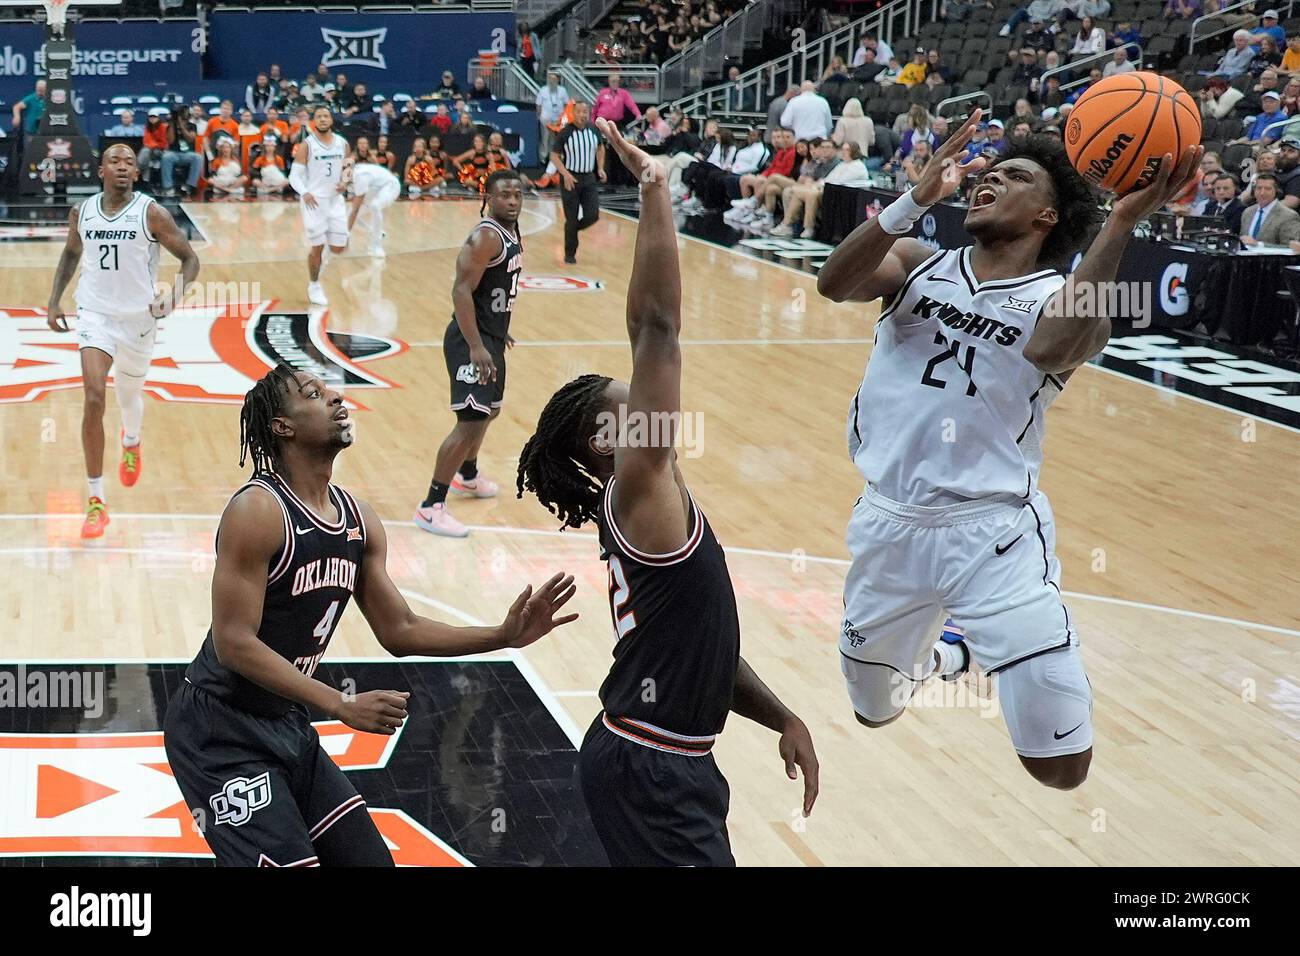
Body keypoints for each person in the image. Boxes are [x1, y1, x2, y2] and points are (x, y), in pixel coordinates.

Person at [817, 113, 1200, 791]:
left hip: (993, 536)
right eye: (989, 173)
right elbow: (834, 283)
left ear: (1047, 216)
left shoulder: (1066, 300)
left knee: (1059, 767)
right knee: (872, 710)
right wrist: (914, 202)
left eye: (1015, 175)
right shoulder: (917, 263)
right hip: (888, 525)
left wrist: (1120, 224)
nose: (990, 178)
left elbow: (1052, 347)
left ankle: (1003, 642)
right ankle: (944, 658)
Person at [516, 121, 819, 865]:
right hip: (649, 766)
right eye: (627, 400)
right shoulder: (638, 485)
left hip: (663, 760)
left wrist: (781, 715)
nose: (651, 398)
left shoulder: (650, 492)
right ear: (605, 439)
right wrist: (654, 188)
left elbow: (701, 651)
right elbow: (656, 324)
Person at [163, 363, 577, 867]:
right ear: (282, 426)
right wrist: (339, 703)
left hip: (285, 723)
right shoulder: (258, 511)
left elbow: (399, 630)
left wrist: (501, 635)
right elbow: (234, 643)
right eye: (314, 394)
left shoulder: (357, 518)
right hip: (219, 734)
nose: (336, 397)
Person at [44, 145, 201, 538]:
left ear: (136, 172)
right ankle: (96, 500)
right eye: (115, 161)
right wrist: (53, 301)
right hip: (94, 315)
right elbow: (70, 254)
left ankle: (131, 441)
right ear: (101, 170)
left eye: (130, 163)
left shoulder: (151, 213)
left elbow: (190, 260)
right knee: (94, 395)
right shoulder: (82, 212)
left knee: (128, 397)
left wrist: (174, 296)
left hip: (138, 321)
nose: (123, 167)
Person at [414, 171, 525, 538]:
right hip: (469, 342)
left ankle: (468, 474)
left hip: (489, 337)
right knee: (468, 422)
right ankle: (431, 506)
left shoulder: (511, 231)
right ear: (489, 198)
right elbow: (461, 291)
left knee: (488, 412)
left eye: (517, 194)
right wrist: (476, 344)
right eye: (504, 195)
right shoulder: (486, 236)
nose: (512, 200)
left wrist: (497, 330)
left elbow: (490, 291)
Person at [290, 105, 351, 307]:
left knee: (338, 248)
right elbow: (294, 175)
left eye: (326, 116)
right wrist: (304, 192)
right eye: (319, 117)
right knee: (317, 246)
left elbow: (349, 167)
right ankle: (314, 284)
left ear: (331, 120)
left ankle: (321, 254)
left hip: (335, 201)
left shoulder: (342, 144)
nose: (323, 119)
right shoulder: (307, 145)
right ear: (314, 121)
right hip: (314, 202)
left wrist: (345, 181)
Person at [772, 141, 868, 237]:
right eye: (842, 149)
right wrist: (817, 185)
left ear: (854, 151)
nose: (843, 152)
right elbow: (829, 179)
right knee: (796, 192)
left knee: (811, 194)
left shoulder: (857, 166)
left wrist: (817, 185)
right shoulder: (842, 164)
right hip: (828, 190)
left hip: (839, 196)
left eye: (847, 150)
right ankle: (789, 225)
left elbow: (839, 182)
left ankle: (808, 228)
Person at [550, 101, 606, 264]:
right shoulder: (565, 132)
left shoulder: (593, 130)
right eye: (579, 112)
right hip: (570, 179)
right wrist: (565, 174)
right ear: (573, 113)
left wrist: (600, 168)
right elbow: (554, 156)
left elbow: (600, 148)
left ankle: (572, 230)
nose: (582, 115)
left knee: (593, 215)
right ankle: (569, 254)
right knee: (572, 218)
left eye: (585, 112)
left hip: (588, 177)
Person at [348, 158, 401, 257]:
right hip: (374, 189)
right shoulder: (349, 174)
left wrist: (345, 235)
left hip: (390, 186)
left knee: (375, 206)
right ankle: (375, 231)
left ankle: (376, 245)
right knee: (347, 215)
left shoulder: (360, 176)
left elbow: (356, 209)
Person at [1241, 172, 1300, 243]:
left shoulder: (1289, 216)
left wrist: (1258, 244)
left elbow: (1290, 248)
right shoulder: (1247, 212)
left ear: (1276, 191)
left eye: (1267, 189)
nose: (1262, 193)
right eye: (1259, 188)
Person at [163, 108, 202, 197]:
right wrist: (173, 124)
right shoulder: (170, 126)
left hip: (188, 154)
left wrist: (182, 126)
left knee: (198, 158)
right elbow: (170, 141)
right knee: (166, 157)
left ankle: (190, 185)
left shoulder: (192, 126)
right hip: (174, 153)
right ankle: (168, 187)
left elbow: (190, 138)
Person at [535, 70, 570, 164]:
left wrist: (564, 117)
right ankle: (543, 157)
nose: (552, 81)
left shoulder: (562, 90)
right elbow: (538, 104)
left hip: (559, 120)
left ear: (557, 80)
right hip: (546, 119)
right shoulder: (543, 90)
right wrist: (539, 116)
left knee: (557, 139)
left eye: (554, 79)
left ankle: (555, 157)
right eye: (550, 79)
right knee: (545, 138)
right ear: (547, 80)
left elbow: (567, 104)